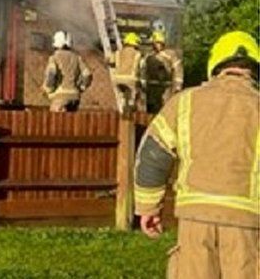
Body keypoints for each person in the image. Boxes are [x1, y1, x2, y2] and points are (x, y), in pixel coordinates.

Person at [133, 30, 259, 279]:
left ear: (215, 64)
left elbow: (153, 154)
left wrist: (148, 208)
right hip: (249, 223)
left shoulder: (184, 103)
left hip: (195, 220)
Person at [43, 30, 92, 112]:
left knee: (56, 123)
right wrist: (80, 88)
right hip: (75, 97)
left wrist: (48, 89)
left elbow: (51, 74)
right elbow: (87, 74)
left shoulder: (54, 57)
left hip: (60, 97)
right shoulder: (77, 58)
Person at [141, 30, 183, 111]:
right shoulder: (149, 56)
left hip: (166, 87)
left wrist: (177, 86)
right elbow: (143, 70)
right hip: (151, 88)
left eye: (159, 43)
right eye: (155, 43)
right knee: (151, 110)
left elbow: (178, 70)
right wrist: (143, 84)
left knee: (165, 109)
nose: (157, 45)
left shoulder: (170, 54)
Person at [109, 32, 144, 112]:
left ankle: (123, 105)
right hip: (131, 79)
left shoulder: (117, 53)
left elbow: (110, 62)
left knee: (122, 96)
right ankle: (131, 104)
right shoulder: (137, 54)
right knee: (134, 94)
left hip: (117, 79)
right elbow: (142, 66)